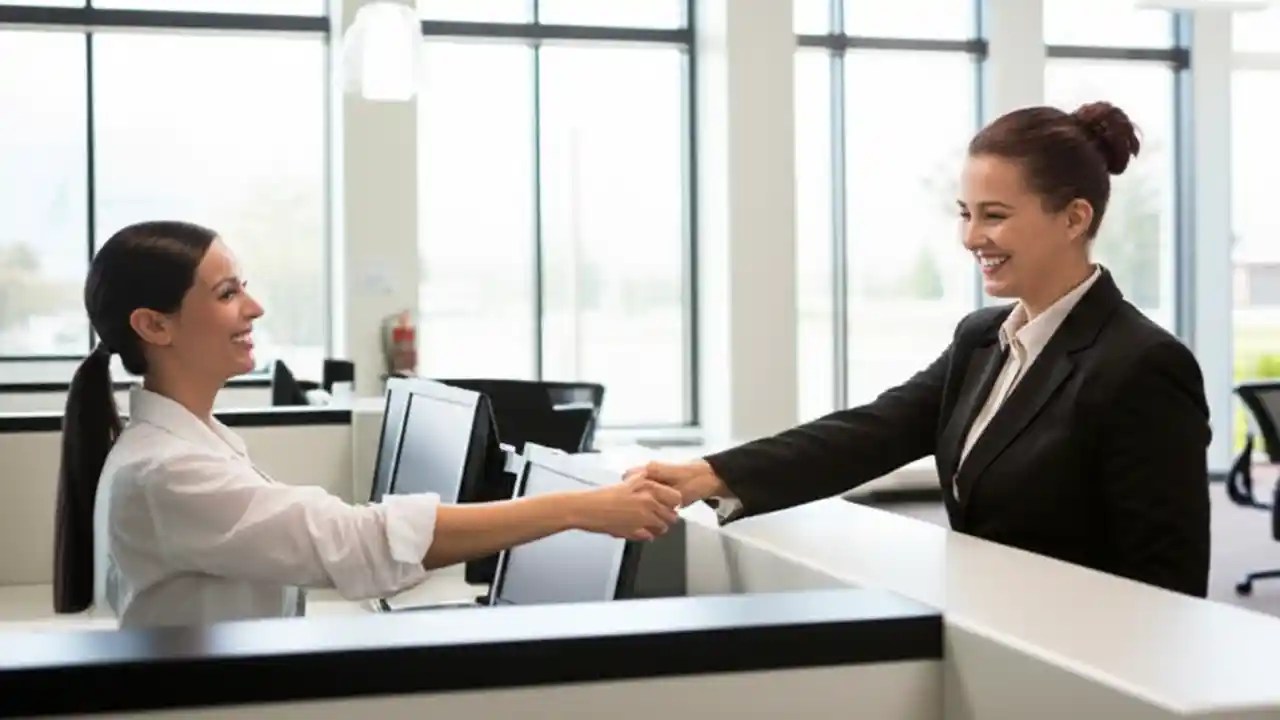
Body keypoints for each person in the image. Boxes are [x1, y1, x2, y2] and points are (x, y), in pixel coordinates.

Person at [630, 101, 1212, 598]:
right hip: (991, 635)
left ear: (1074, 218)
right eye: (965, 214)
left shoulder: (1141, 364)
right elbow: (872, 433)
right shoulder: (981, 339)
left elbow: (1169, 581)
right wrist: (709, 474)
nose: (971, 237)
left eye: (994, 216)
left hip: (1085, 658)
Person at [53, 220, 681, 628]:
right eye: (226, 294)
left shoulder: (183, 448)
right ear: (153, 325)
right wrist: (579, 508)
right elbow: (357, 542)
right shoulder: (167, 471)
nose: (254, 307)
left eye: (243, 287)